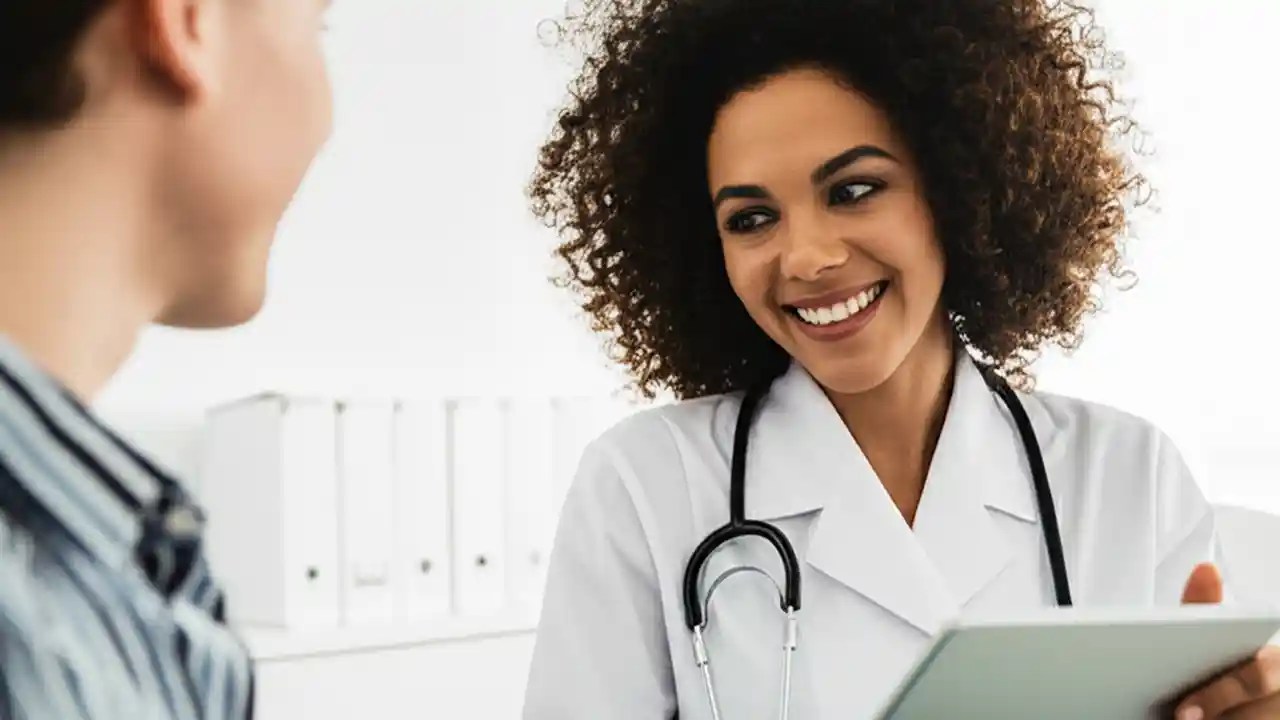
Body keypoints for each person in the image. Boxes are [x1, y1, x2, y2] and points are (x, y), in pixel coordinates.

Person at [522, 1, 1279, 718]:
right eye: (752, 218)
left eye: (854, 189)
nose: (810, 257)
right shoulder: (645, 486)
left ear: (956, 190)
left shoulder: (1127, 475)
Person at [0, 0, 332, 717]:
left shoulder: (103, 565)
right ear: (187, 21)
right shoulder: (32, 642)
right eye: (318, 24)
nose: (327, 113)